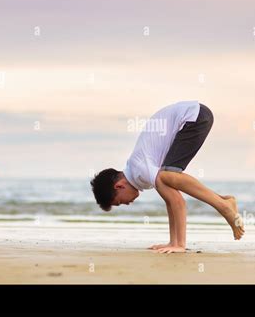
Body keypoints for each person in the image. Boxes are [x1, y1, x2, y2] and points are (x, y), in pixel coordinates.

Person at [90, 101, 245, 253]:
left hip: (193, 117)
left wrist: (180, 246)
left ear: (119, 186)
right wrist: (173, 242)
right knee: (167, 177)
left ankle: (223, 206)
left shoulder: (139, 170)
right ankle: (224, 201)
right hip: (194, 116)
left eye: (119, 202)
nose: (126, 204)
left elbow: (178, 202)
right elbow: (170, 201)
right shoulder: (138, 172)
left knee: (167, 176)